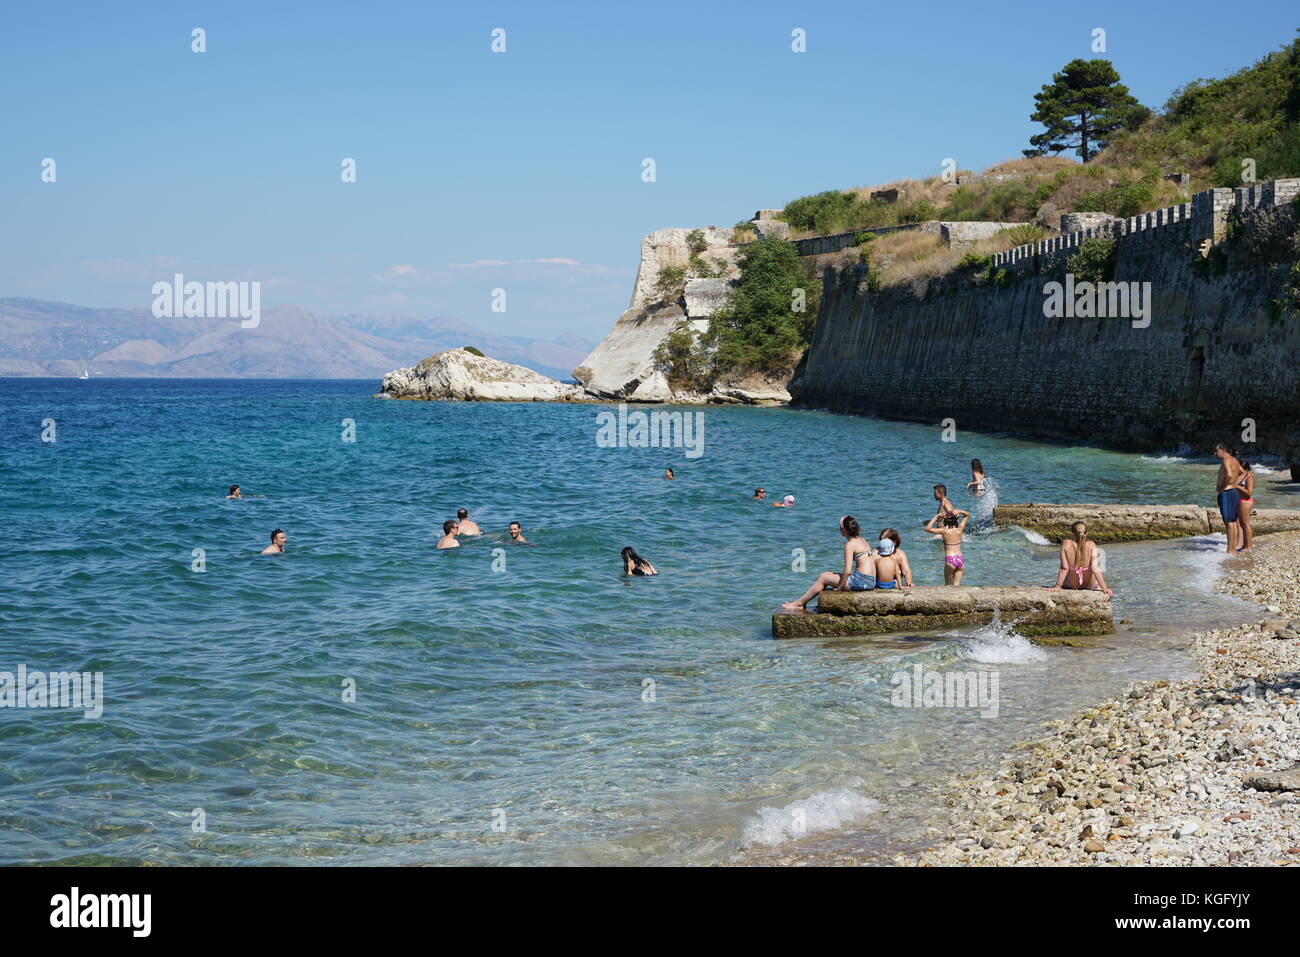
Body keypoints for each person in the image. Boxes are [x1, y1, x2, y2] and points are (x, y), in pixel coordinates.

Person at [782, 516, 875, 610]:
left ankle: (799, 604)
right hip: (871, 580)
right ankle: (803, 602)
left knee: (823, 577)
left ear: (843, 530)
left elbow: (847, 571)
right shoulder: (862, 540)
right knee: (827, 574)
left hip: (861, 582)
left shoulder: (850, 544)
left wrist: (839, 588)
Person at [1048, 521, 1112, 596]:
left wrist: (1057, 586)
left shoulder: (1066, 544)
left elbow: (1064, 568)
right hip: (1090, 585)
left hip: (1071, 585)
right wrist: (1104, 587)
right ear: (1086, 534)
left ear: (1072, 534)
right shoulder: (1092, 545)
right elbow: (1095, 568)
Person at [924, 509, 970, 584]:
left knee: (948, 586)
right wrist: (959, 511)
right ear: (956, 520)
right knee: (957, 586)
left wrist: (937, 517)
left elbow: (927, 528)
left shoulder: (944, 531)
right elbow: (967, 514)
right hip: (960, 559)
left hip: (950, 560)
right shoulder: (960, 529)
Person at [1214, 442, 1244, 555]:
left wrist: (1223, 486)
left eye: (1216, 451)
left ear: (1223, 450)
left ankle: (1230, 550)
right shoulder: (1234, 460)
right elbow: (1242, 473)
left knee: (1229, 522)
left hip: (1227, 493)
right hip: (1233, 492)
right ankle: (1233, 549)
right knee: (1232, 521)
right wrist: (1235, 484)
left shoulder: (1226, 460)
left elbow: (1230, 475)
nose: (1215, 453)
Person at [1236, 459, 1255, 551]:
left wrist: (1237, 486)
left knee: (1246, 524)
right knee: (1242, 524)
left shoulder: (1249, 477)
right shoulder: (1241, 476)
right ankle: (1244, 545)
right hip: (1240, 500)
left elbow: (1249, 493)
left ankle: (1248, 546)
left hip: (1245, 501)